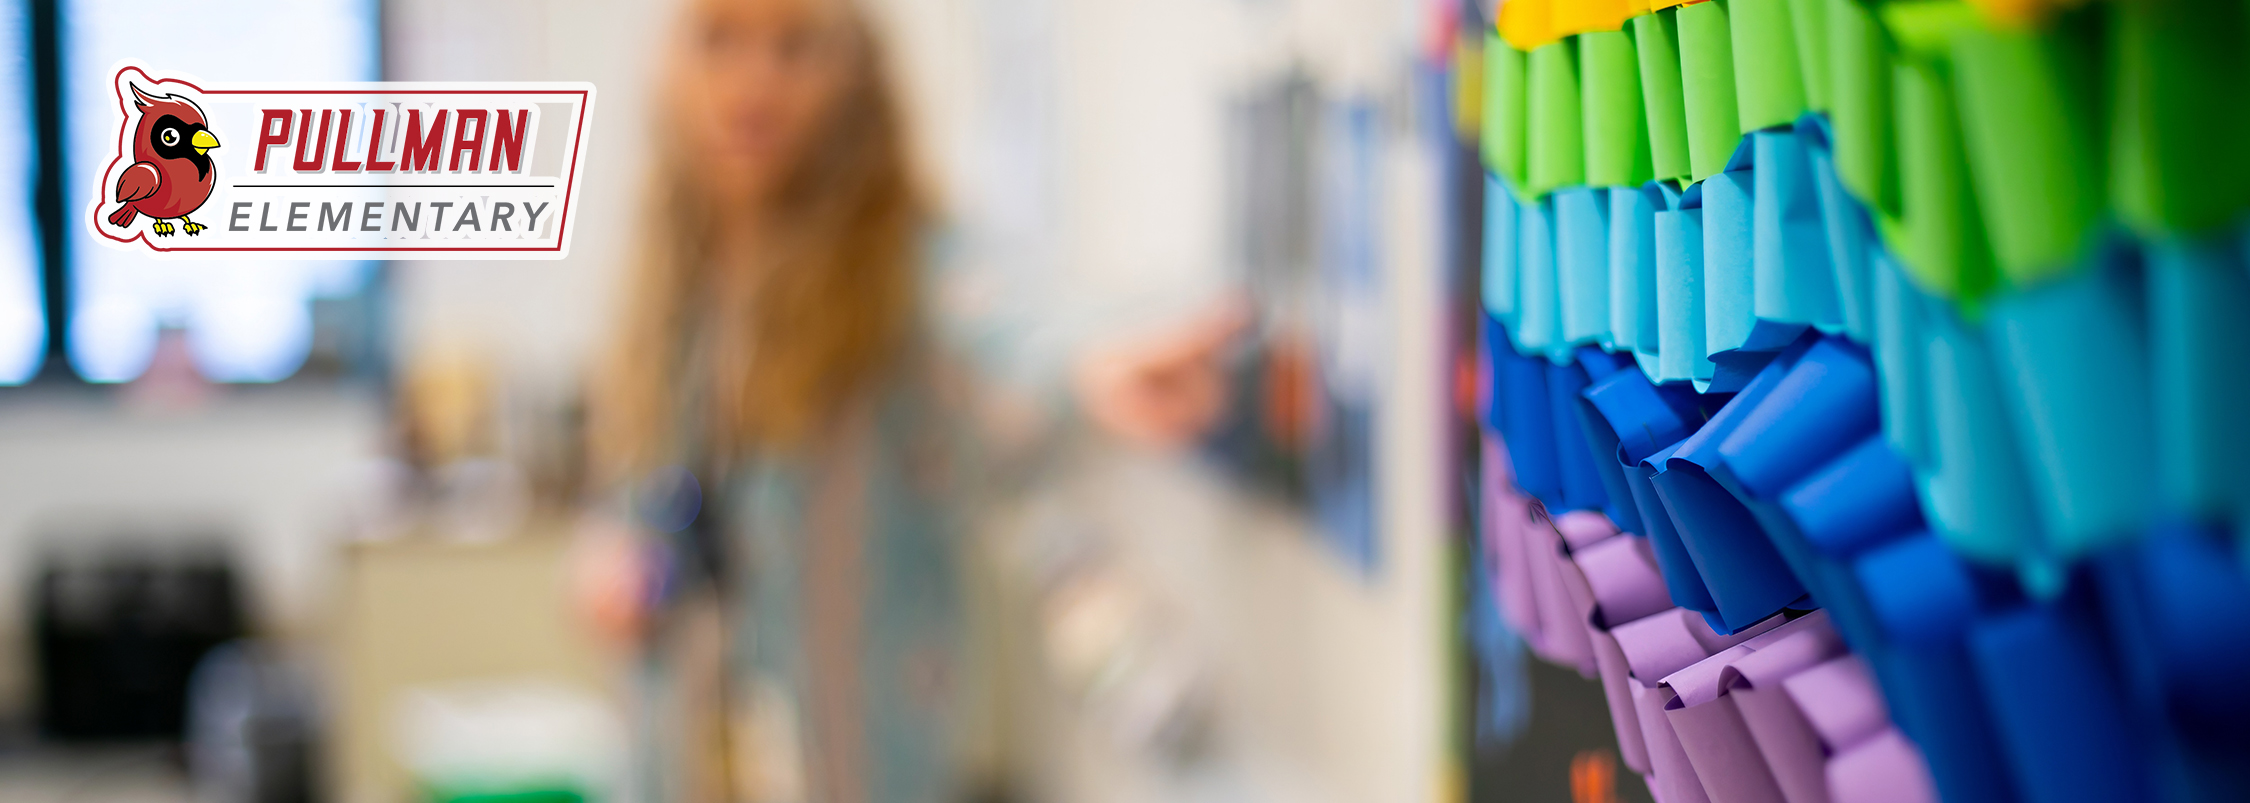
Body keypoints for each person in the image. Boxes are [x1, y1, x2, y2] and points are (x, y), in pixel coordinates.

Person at [582, 0, 1241, 799]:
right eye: (719, 41)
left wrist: (1091, 358)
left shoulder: (898, 273)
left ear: (854, 74)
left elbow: (1003, 317)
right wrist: (612, 559)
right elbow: (637, 499)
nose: (753, 82)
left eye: (793, 47)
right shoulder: (672, 292)